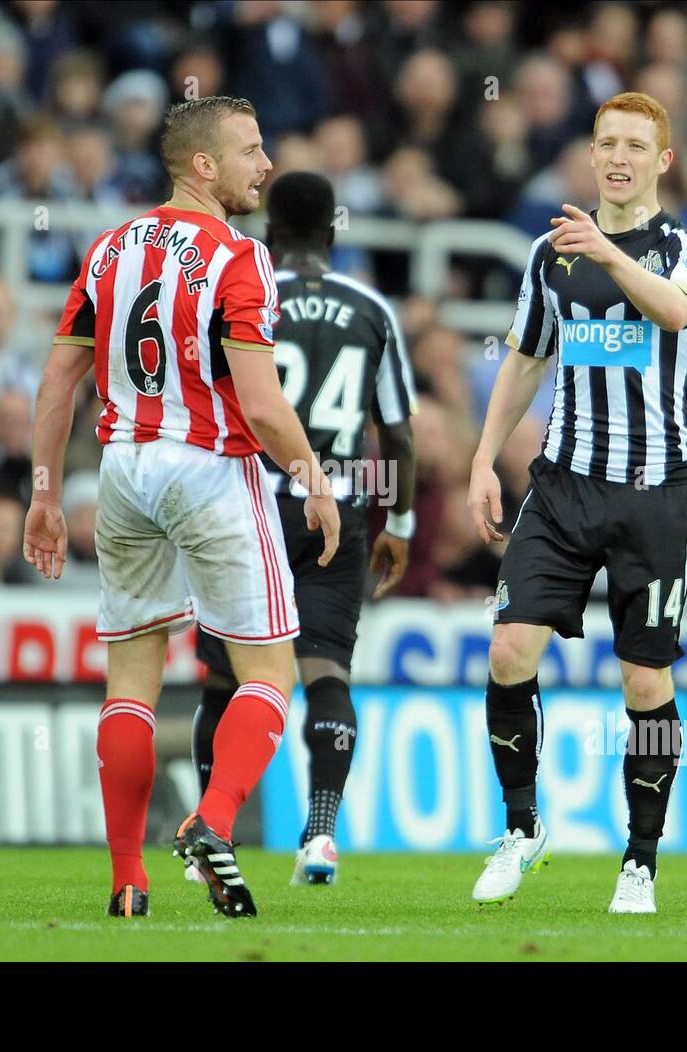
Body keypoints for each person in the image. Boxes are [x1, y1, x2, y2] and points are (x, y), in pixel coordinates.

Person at [23, 96, 340, 921]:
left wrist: (47, 492)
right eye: (251, 149)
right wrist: (313, 477)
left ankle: (128, 879)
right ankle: (213, 819)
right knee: (267, 670)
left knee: (130, 678)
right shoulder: (240, 258)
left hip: (123, 470)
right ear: (204, 166)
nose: (265, 164)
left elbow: (59, 381)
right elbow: (265, 408)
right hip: (208, 467)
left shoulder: (109, 250)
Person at [467, 92, 687, 914]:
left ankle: (640, 859)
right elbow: (525, 358)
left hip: (653, 493)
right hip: (563, 484)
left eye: (636, 146)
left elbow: (676, 311)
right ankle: (520, 826)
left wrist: (609, 255)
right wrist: (481, 460)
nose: (618, 157)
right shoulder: (551, 255)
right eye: (607, 142)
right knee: (509, 650)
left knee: (644, 681)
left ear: (662, 161)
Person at [191, 171, 417, 887]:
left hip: (246, 505)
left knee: (226, 680)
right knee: (326, 672)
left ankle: (211, 832)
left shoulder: (241, 291)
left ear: (267, 231)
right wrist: (400, 523)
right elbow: (401, 434)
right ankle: (319, 835)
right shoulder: (370, 307)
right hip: (338, 509)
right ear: (333, 232)